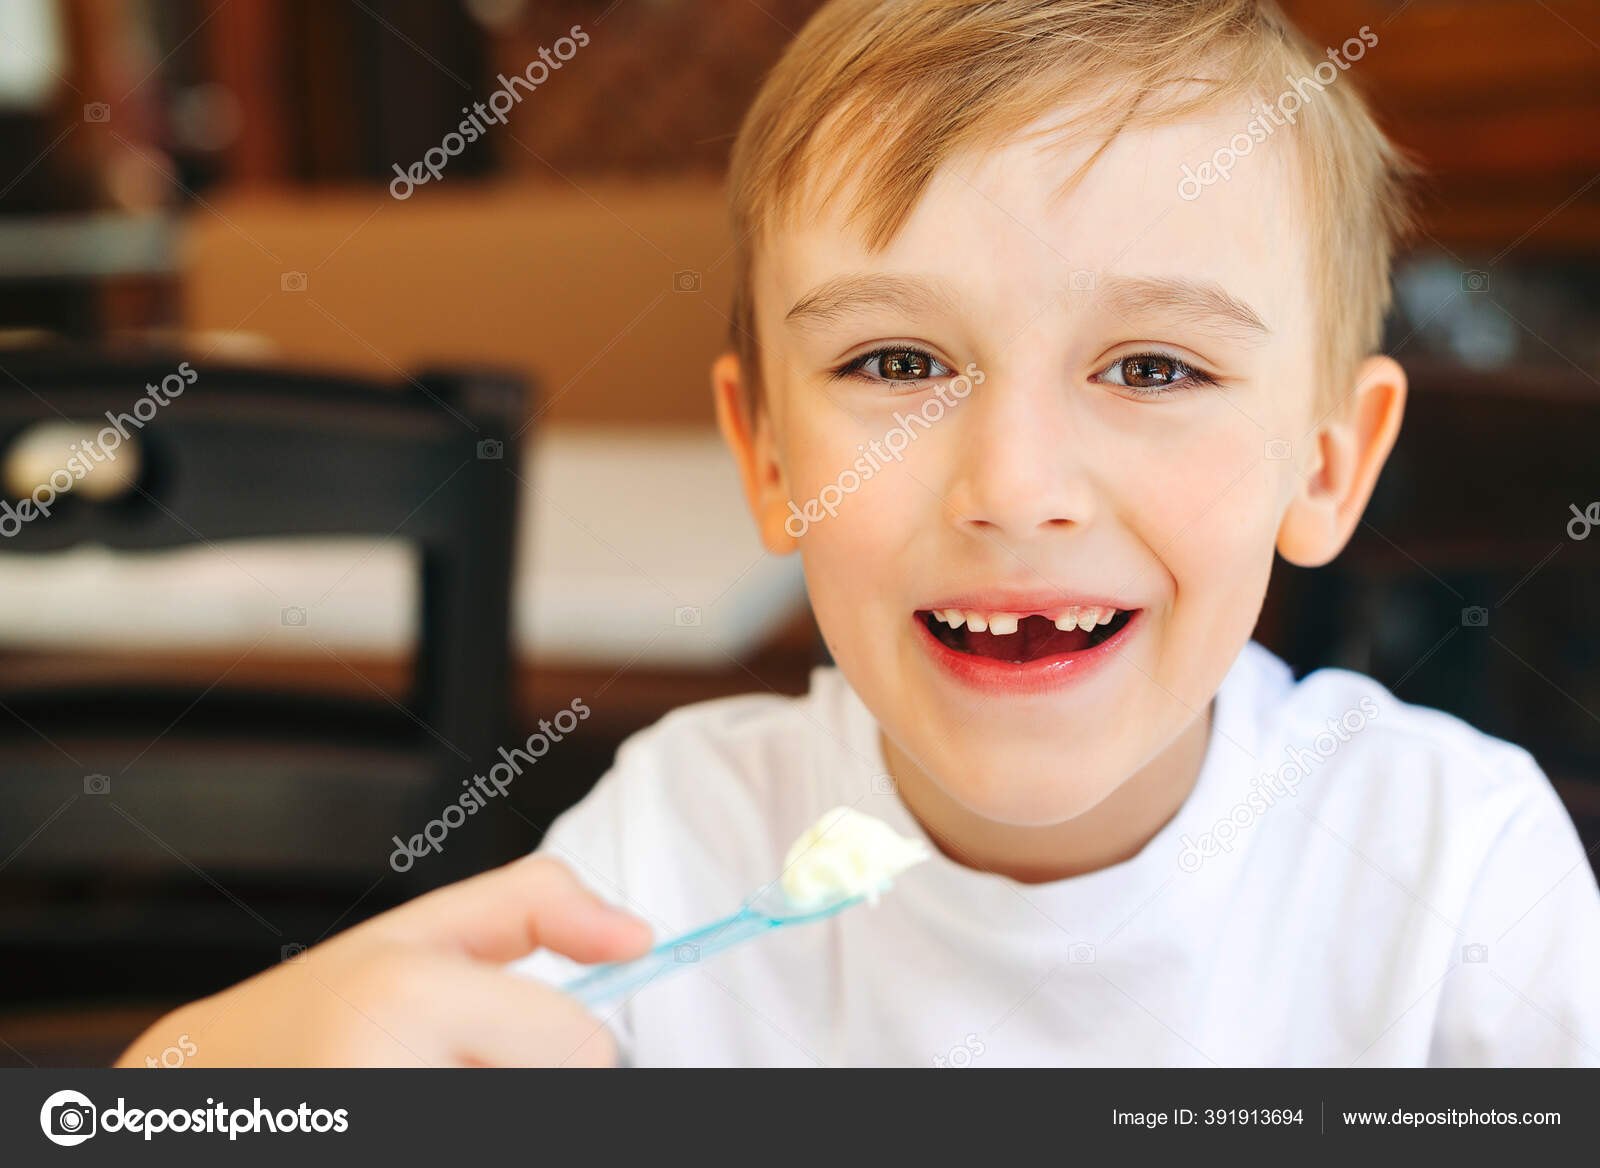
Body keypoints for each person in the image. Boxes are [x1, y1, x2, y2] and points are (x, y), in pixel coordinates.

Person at [121, 0, 1600, 1067]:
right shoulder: (676, 844)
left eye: (1154, 368)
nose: (1013, 486)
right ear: (767, 453)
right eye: (898, 362)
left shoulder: (1457, 868)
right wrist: (224, 1072)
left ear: (1329, 464)